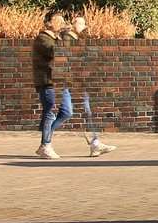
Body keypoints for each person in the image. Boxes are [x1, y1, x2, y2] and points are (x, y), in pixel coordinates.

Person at [67, 15, 117, 157]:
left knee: (85, 111)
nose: (84, 26)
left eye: (84, 24)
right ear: (74, 24)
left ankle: (95, 143)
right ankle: (46, 142)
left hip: (79, 82)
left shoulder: (77, 39)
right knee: (77, 112)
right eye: (81, 23)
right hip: (73, 83)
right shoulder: (69, 39)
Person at [33, 10, 74, 160]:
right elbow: (56, 52)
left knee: (67, 112)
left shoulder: (57, 39)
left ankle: (46, 136)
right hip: (48, 82)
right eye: (59, 20)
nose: (62, 23)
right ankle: (46, 145)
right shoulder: (42, 39)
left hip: (60, 82)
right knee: (50, 112)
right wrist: (66, 36)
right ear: (49, 23)